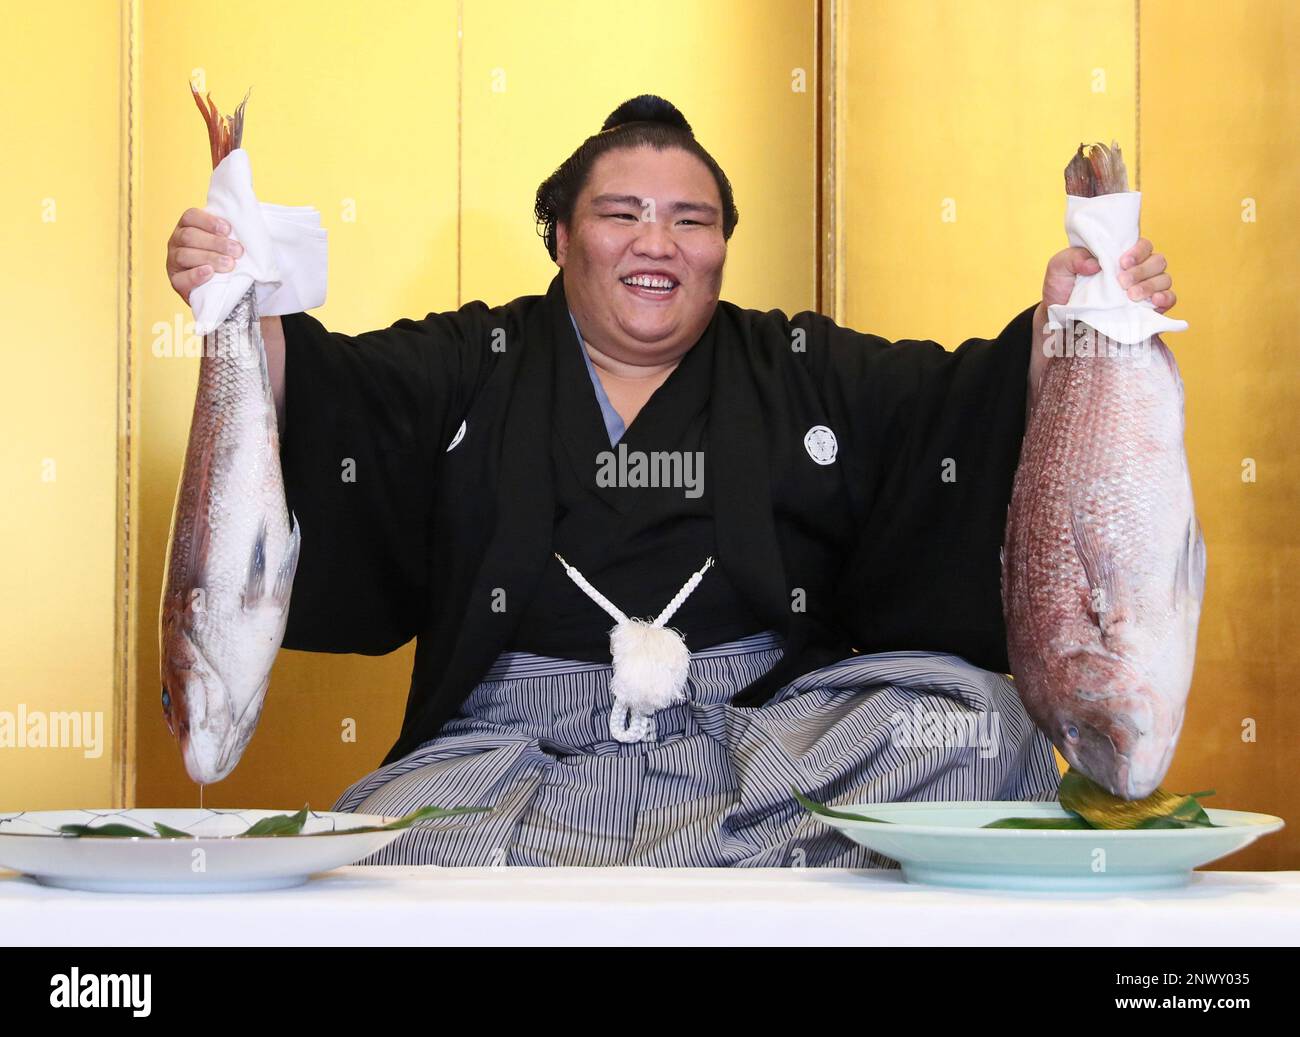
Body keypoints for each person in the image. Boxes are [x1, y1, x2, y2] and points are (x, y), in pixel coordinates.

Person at [165, 95, 1177, 867]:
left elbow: (954, 412)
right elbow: (334, 399)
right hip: (516, 752)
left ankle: (602, 885)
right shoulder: (473, 356)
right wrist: (236, 293)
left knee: (971, 726)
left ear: (723, 248)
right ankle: (738, 878)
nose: (659, 243)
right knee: (393, 837)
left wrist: (1076, 323)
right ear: (559, 234)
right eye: (621, 214)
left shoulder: (796, 361)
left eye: (692, 220)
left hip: (766, 740)